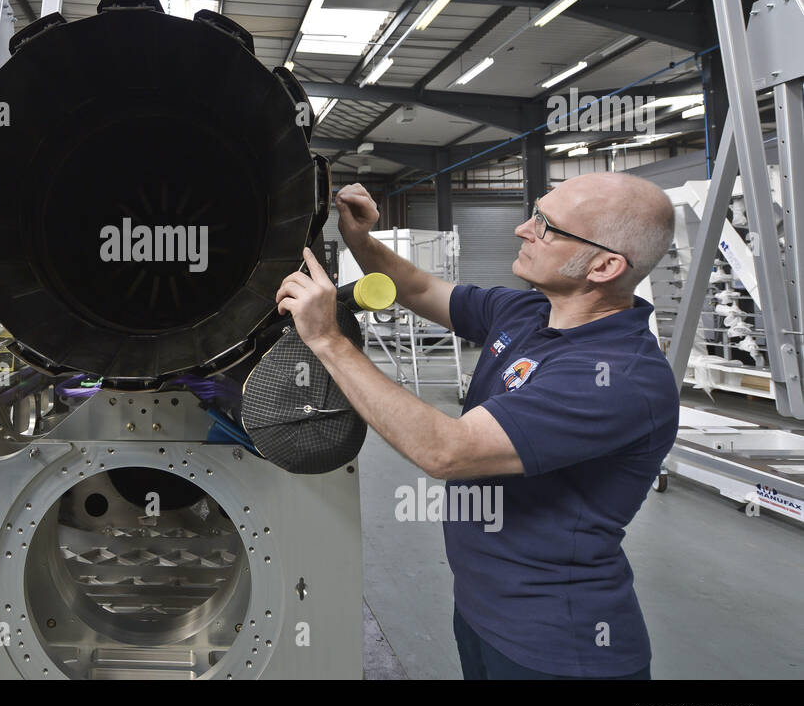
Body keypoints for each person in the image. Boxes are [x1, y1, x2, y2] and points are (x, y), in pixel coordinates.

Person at [276, 172, 679, 680]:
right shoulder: (527, 312)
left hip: (559, 646)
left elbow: (447, 450)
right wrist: (360, 240)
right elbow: (419, 287)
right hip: (482, 613)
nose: (522, 229)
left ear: (604, 266)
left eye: (546, 226)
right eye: (535, 213)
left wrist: (327, 340)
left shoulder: (617, 376)